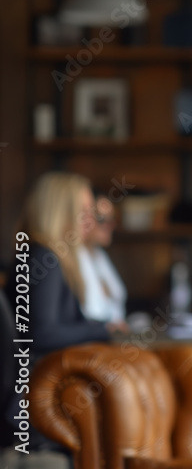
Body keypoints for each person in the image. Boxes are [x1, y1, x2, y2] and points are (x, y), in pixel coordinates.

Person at [2, 172, 118, 449]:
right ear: (60, 212)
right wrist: (101, 329)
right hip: (32, 406)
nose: (91, 221)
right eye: (84, 212)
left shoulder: (37, 254)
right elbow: (40, 333)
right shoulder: (45, 258)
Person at [77, 193, 128, 323]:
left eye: (112, 218)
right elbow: (93, 311)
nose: (109, 225)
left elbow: (117, 301)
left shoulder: (99, 255)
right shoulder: (73, 257)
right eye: (100, 219)